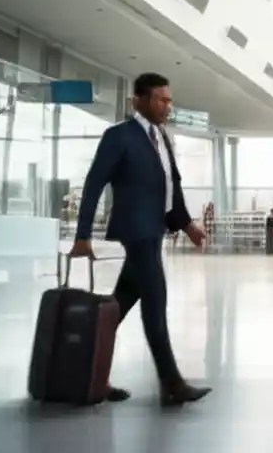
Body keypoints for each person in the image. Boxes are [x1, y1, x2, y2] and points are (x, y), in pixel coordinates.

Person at [69, 72, 212, 406]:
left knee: (117, 306)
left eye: (169, 100)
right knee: (156, 302)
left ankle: (85, 375)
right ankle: (171, 382)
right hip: (136, 232)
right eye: (162, 100)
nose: (168, 106)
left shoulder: (162, 137)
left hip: (154, 230)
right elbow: (93, 185)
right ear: (141, 101)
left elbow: (170, 186)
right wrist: (82, 235)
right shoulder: (119, 137)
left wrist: (187, 224)